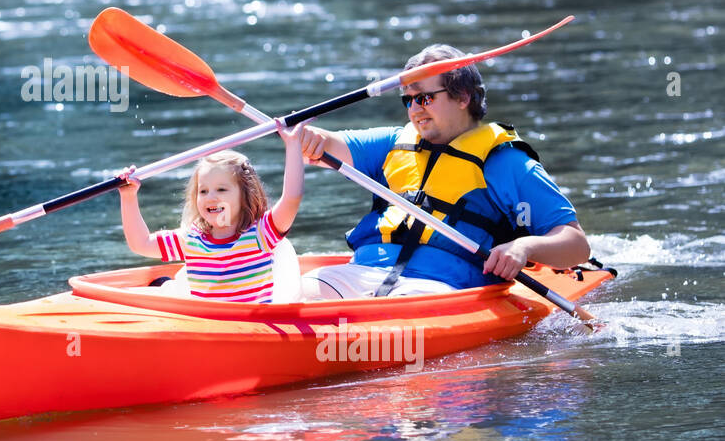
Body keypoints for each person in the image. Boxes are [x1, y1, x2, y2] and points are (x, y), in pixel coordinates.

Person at [298, 44, 590, 298]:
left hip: (438, 288)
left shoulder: (508, 163)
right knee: (292, 295)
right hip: (361, 273)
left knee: (393, 312)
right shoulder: (391, 144)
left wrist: (524, 247)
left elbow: (577, 245)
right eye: (408, 100)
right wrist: (304, 137)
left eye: (424, 98)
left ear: (463, 97)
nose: (414, 109)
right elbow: (326, 144)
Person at [116, 124, 305, 303]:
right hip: (206, 327)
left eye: (221, 190)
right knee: (168, 287)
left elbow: (291, 198)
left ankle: (165, 284)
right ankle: (165, 285)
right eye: (203, 191)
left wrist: (293, 144)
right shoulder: (191, 239)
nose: (211, 197)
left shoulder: (260, 234)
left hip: (252, 330)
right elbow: (141, 243)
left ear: (246, 195)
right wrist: (129, 197)